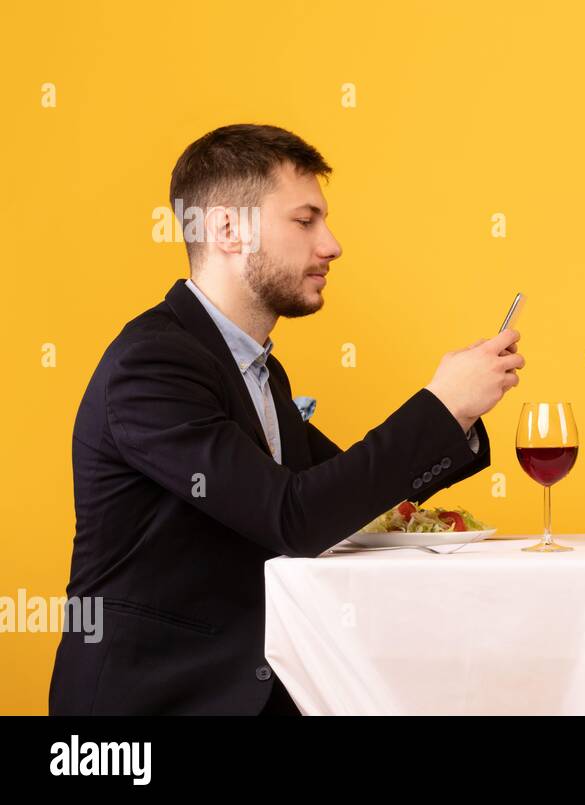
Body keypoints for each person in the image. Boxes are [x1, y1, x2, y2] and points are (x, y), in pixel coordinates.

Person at [49, 124, 525, 715]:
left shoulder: (261, 372)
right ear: (227, 228)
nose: (331, 245)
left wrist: (459, 415)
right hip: (155, 703)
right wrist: (442, 404)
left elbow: (347, 491)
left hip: (265, 689)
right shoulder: (153, 366)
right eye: (305, 221)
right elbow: (294, 516)